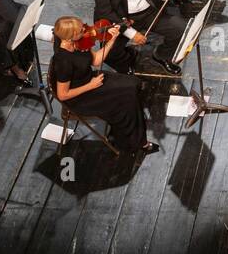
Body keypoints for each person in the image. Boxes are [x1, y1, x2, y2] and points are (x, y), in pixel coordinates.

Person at [50, 16, 155, 155]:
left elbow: (96, 60)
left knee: (133, 83)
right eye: (81, 30)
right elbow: (63, 95)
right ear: (70, 36)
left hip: (90, 80)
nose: (86, 30)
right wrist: (91, 86)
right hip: (81, 96)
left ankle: (124, 127)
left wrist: (112, 40)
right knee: (128, 99)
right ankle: (136, 142)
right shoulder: (63, 61)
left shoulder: (77, 43)